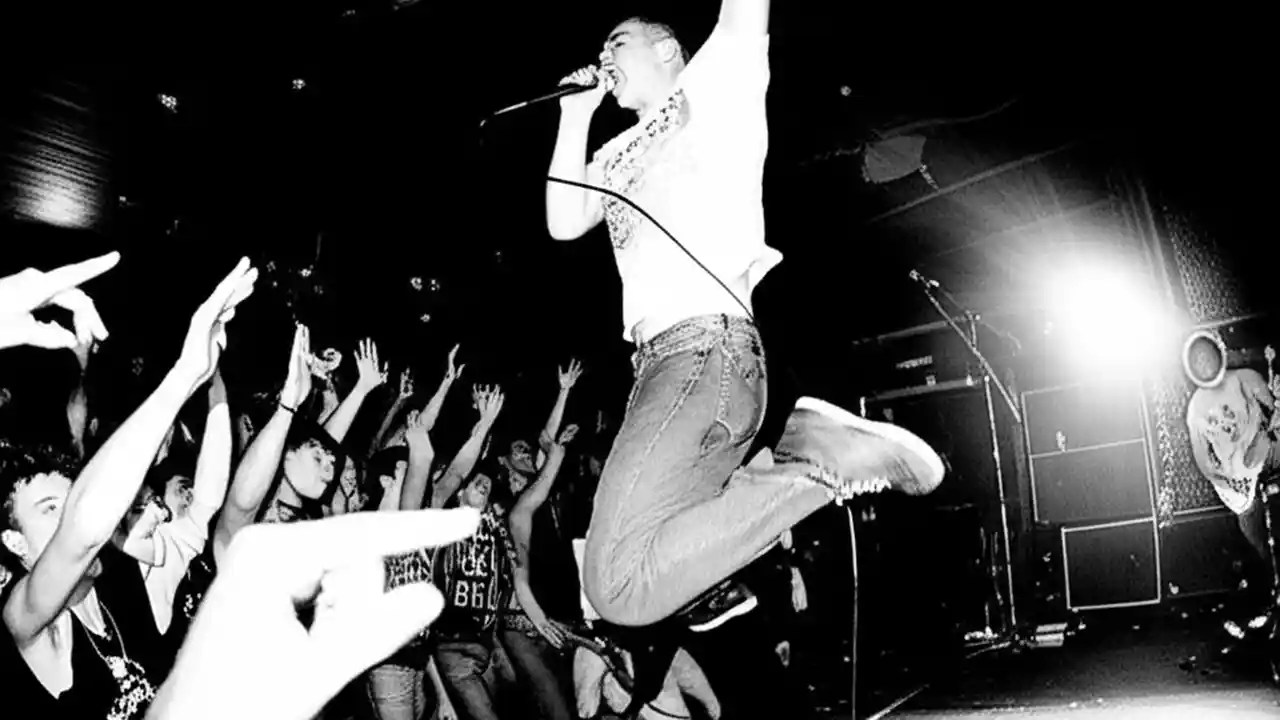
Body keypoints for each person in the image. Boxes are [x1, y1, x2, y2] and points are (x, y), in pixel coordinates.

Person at [545, 0, 945, 630]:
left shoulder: (710, 87)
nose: (603, 58)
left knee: (612, 584)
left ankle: (813, 470)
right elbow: (565, 221)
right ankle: (759, 509)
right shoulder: (616, 153)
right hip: (669, 371)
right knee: (628, 584)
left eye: (616, 43)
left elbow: (743, 10)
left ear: (666, 50)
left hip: (704, 352)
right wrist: (575, 115)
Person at [1, 256, 256, 717]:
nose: (68, 513)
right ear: (14, 541)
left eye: (69, 497)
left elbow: (206, 507)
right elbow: (80, 533)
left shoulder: (127, 575)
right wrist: (180, 378)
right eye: (47, 508)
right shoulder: (28, 620)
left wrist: (210, 381)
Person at [1186, 367, 1280, 587]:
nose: (1224, 420)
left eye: (1227, 412)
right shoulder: (1196, 409)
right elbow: (1203, 461)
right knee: (1257, 536)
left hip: (1264, 452)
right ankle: (1271, 578)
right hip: (1239, 484)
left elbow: (1271, 408)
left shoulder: (1245, 379)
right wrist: (1225, 482)